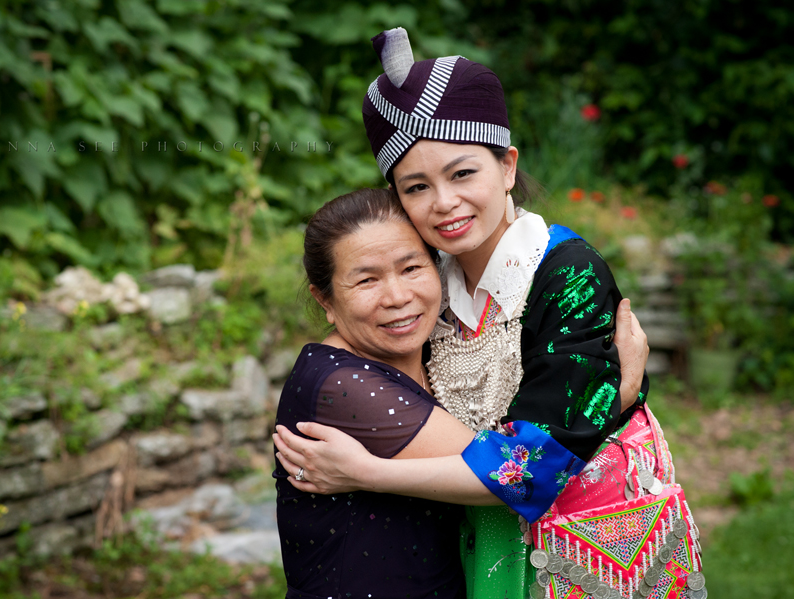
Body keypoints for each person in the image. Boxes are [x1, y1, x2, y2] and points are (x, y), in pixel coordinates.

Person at [276, 27, 704, 599]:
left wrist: (365, 473)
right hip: (493, 547)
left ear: (506, 166)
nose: (444, 203)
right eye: (416, 186)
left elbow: (532, 467)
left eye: (463, 173)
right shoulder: (432, 289)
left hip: (597, 549)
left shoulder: (566, 274)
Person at [273, 187, 648, 599]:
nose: (398, 297)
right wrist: (617, 397)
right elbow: (516, 474)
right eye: (366, 280)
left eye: (412, 268)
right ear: (325, 300)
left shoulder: (436, 353)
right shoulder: (346, 387)